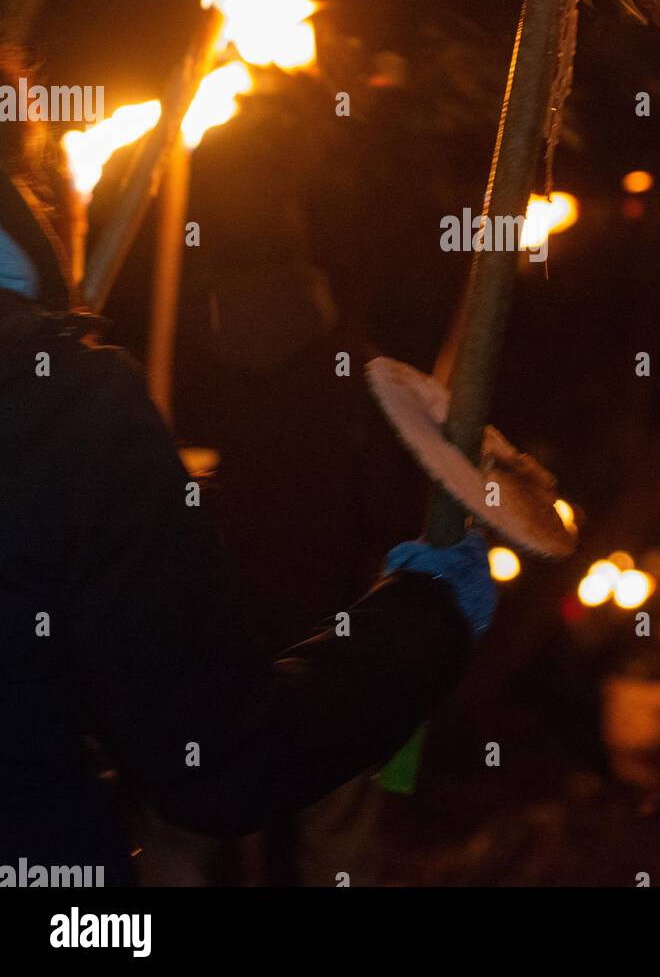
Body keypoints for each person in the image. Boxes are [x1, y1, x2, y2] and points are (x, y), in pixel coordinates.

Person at [0, 53, 495, 884]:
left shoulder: (133, 371)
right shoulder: (68, 393)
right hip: (295, 640)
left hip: (197, 679)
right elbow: (217, 760)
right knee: (331, 838)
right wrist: (426, 613)